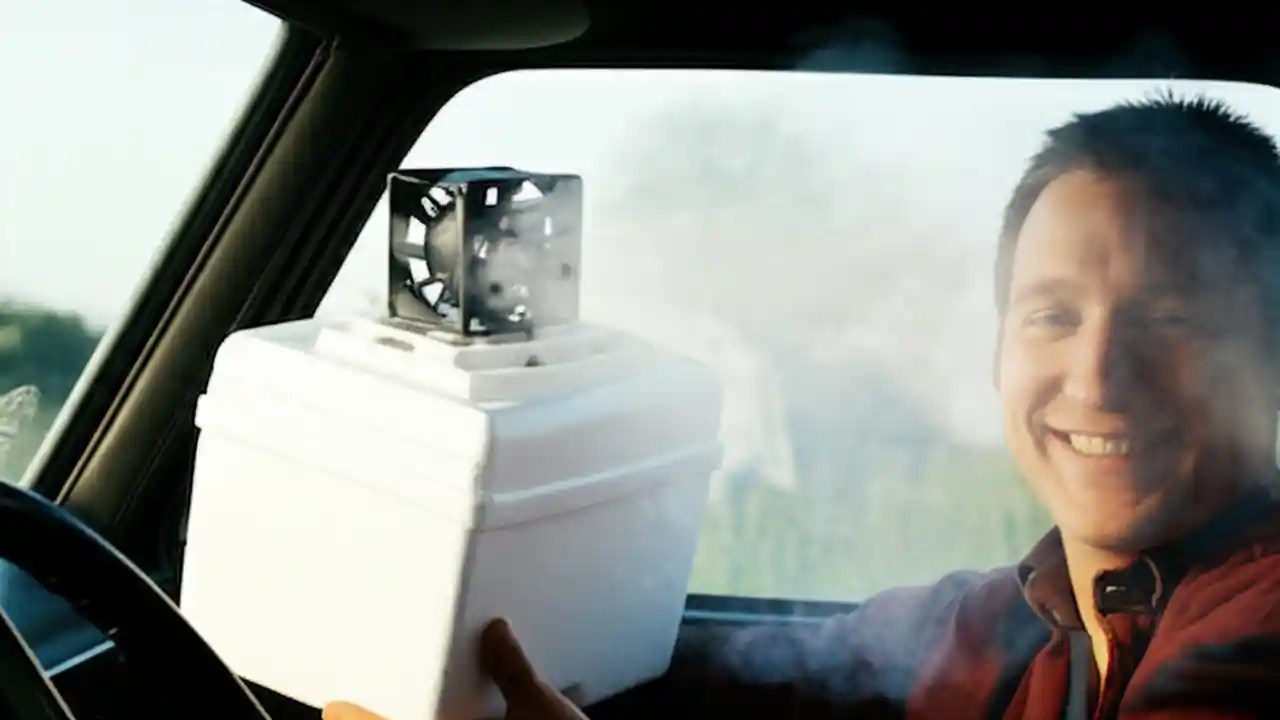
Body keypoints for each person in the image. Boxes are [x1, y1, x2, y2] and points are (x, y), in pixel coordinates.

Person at [323, 94, 1280, 719]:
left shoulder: (1256, 635)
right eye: (1051, 316)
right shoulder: (1017, 617)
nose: (1100, 376)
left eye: (1172, 320)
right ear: (1000, 354)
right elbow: (747, 677)